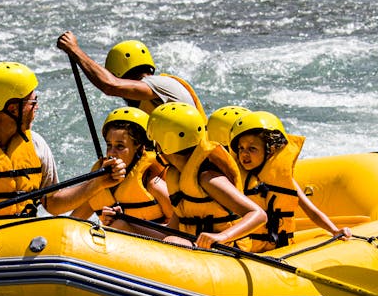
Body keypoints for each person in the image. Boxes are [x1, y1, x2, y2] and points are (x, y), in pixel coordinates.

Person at [0, 62, 125, 224]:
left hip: (23, 241)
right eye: (33, 102)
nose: (36, 108)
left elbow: (53, 204)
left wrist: (98, 183)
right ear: (13, 109)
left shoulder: (37, 144)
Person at [104, 102, 265, 251]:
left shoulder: (207, 178)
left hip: (225, 252)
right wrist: (126, 220)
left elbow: (258, 214)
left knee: (175, 242)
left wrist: (221, 237)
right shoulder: (179, 177)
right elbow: (171, 229)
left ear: (165, 143)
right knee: (120, 224)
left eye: (156, 142)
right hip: (193, 245)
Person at [229, 110, 352, 252]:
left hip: (281, 250)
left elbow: (311, 211)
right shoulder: (235, 180)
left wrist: (335, 230)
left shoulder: (284, 181)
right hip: (246, 251)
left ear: (270, 150)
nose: (244, 154)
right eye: (241, 148)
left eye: (252, 149)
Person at [71, 107, 174, 231]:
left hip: (153, 245)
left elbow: (180, 228)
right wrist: (106, 222)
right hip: (118, 245)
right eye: (109, 145)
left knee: (119, 225)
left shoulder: (152, 183)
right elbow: (73, 223)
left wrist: (128, 224)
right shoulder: (98, 185)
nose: (111, 153)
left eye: (120, 146)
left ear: (140, 148)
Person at [56, 31, 206, 115]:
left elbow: (110, 86)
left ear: (119, 75)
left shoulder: (160, 84)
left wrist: (74, 50)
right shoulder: (146, 106)